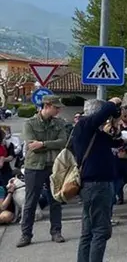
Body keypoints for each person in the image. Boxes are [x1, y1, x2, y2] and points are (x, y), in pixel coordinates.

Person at [73, 99, 122, 262]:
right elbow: (107, 109)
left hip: (94, 185)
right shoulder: (84, 125)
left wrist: (115, 126)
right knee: (101, 231)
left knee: (88, 231)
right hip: (97, 185)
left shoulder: (91, 132)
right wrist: (113, 102)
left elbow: (115, 141)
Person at [18, 95, 68, 248]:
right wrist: (46, 145)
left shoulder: (59, 123)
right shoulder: (30, 123)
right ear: (47, 106)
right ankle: (26, 234)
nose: (58, 110)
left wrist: (43, 144)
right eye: (56, 107)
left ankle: (56, 231)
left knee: (56, 200)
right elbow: (31, 145)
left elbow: (63, 142)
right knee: (30, 201)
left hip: (53, 166)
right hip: (34, 166)